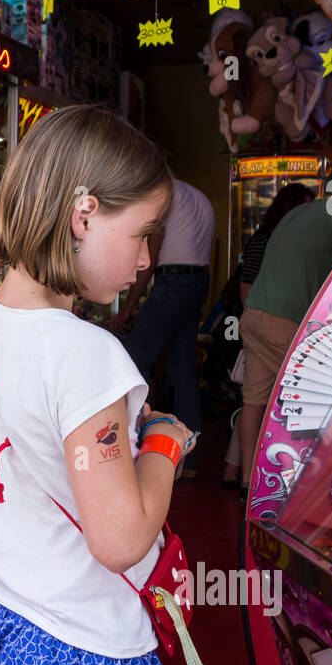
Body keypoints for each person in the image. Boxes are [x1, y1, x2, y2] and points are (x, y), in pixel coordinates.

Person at [0, 105, 195, 665]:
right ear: (84, 215)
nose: (145, 259)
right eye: (141, 233)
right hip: (85, 654)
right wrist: (165, 447)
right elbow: (121, 539)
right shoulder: (88, 354)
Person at [238, 196, 332, 493]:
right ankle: (311, 485)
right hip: (285, 319)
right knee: (319, 398)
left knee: (254, 401)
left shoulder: (299, 210)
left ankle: (247, 482)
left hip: (253, 314)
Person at [111, 178, 213, 478]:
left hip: (172, 282)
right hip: (198, 281)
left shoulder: (161, 192)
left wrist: (126, 311)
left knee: (133, 363)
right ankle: (187, 458)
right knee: (183, 371)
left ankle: (128, 451)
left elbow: (149, 259)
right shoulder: (196, 194)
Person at [221, 182, 315, 489]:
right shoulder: (282, 242)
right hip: (275, 321)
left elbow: (247, 284)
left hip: (254, 322)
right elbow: (248, 284)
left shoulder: (263, 238)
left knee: (254, 401)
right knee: (295, 398)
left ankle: (243, 477)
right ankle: (285, 479)